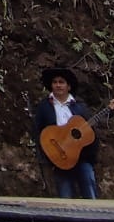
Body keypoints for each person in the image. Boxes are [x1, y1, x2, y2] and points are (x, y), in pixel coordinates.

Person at [34, 67, 98, 199]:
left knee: (90, 191)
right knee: (65, 197)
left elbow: (90, 132)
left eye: (61, 82)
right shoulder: (44, 107)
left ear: (68, 86)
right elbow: (37, 132)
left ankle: (94, 218)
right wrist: (48, 155)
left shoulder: (79, 106)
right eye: (55, 82)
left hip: (81, 157)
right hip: (59, 158)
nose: (58, 85)